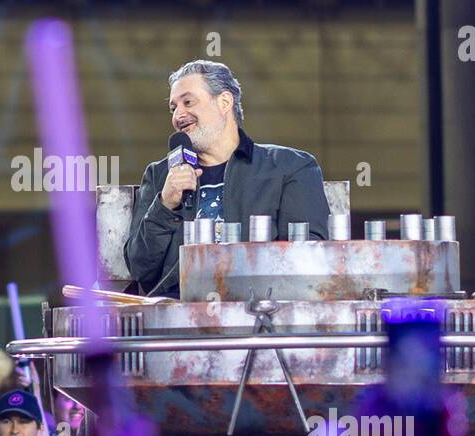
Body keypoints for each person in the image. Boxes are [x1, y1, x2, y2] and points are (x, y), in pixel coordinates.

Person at [125, 60, 331, 297]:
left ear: (224, 102)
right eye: (173, 108)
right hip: (180, 313)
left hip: (261, 310)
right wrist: (165, 205)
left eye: (188, 102)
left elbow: (307, 258)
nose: (178, 115)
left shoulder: (289, 166)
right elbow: (141, 269)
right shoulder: (160, 175)